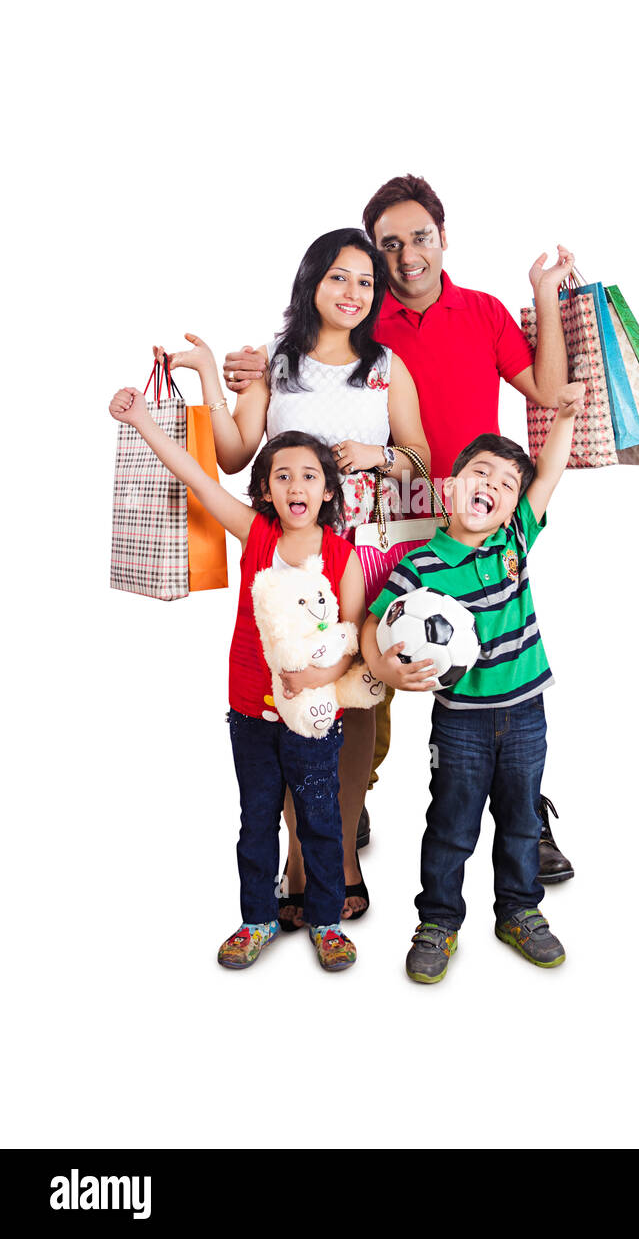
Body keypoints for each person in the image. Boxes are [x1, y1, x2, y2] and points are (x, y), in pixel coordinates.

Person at [222, 177, 575, 882]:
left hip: (474, 517)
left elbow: (548, 389)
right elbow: (303, 361)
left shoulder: (481, 312)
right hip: (379, 520)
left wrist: (542, 295)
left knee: (493, 663)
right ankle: (349, 808)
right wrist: (252, 369)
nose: (406, 254)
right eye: (389, 244)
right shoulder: (363, 323)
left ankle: (523, 814)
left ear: (444, 236)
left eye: (419, 236)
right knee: (368, 667)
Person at [156, 228, 429, 929]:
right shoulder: (275, 364)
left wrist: (381, 453)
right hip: (284, 563)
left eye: (366, 283)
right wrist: (212, 376)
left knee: (354, 694)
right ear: (312, 281)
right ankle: (302, 862)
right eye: (340, 278)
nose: (353, 293)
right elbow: (233, 449)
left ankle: (336, 857)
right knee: (286, 697)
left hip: (362, 556)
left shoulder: (386, 366)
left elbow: (422, 462)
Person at [107, 395, 363, 974]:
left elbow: (349, 639)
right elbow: (196, 474)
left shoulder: (343, 557)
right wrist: (142, 420)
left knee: (321, 822)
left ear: (327, 491)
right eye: (282, 475)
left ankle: (326, 921)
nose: (295, 485)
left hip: (314, 719)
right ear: (267, 491)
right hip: (249, 712)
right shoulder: (256, 534)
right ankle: (258, 918)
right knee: (256, 819)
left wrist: (316, 677)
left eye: (309, 475)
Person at [360, 377, 587, 983]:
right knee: (452, 824)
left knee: (519, 820)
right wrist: (383, 666)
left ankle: (519, 911)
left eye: (507, 484)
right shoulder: (420, 566)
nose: (491, 486)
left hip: (526, 714)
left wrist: (562, 417)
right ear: (452, 484)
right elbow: (371, 623)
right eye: (481, 473)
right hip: (459, 721)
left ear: (516, 506)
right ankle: (438, 920)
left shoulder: (516, 540)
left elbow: (550, 473)